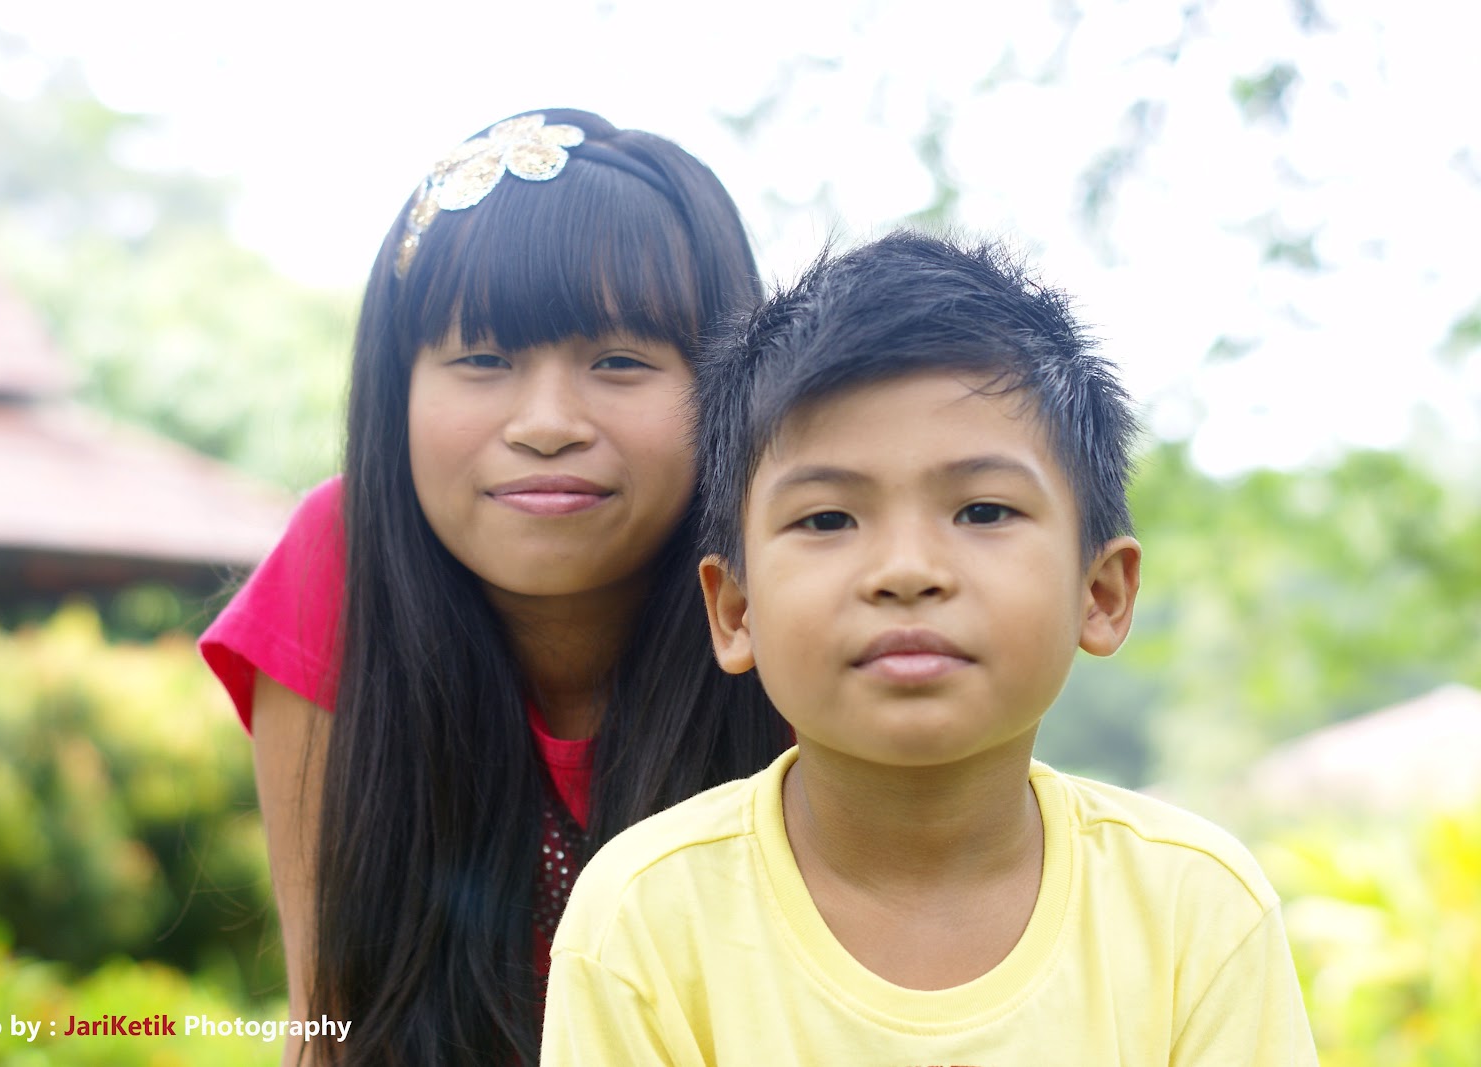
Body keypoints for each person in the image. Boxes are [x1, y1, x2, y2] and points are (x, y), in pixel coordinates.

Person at [541, 231, 1319, 1064]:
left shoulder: (1194, 909)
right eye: (828, 519)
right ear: (735, 611)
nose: (906, 571)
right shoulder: (646, 918)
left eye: (983, 511)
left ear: (1101, 592)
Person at [198, 109, 788, 1066]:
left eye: (620, 362)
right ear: (398, 389)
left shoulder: (803, 586)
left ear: (726, 388)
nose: (547, 422)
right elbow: (328, 1019)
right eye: (482, 359)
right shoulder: (337, 563)